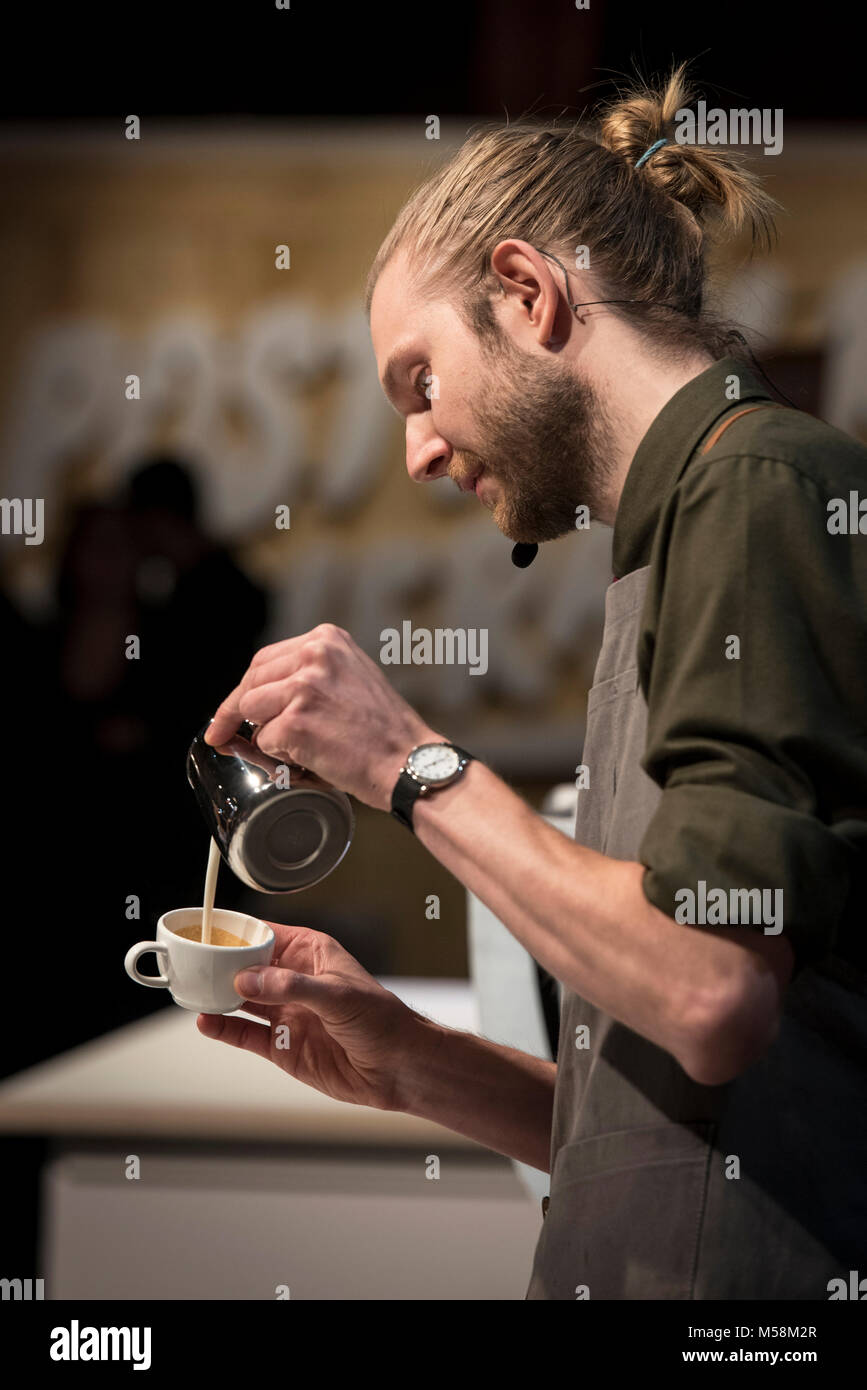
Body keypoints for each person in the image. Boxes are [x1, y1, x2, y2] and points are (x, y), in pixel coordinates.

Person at [198, 65, 867, 1299]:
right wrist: (413, 1063)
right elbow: (691, 1119)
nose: (416, 448)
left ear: (527, 291)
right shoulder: (671, 541)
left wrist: (412, 766)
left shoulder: (757, 486)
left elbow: (711, 988)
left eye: (421, 381)